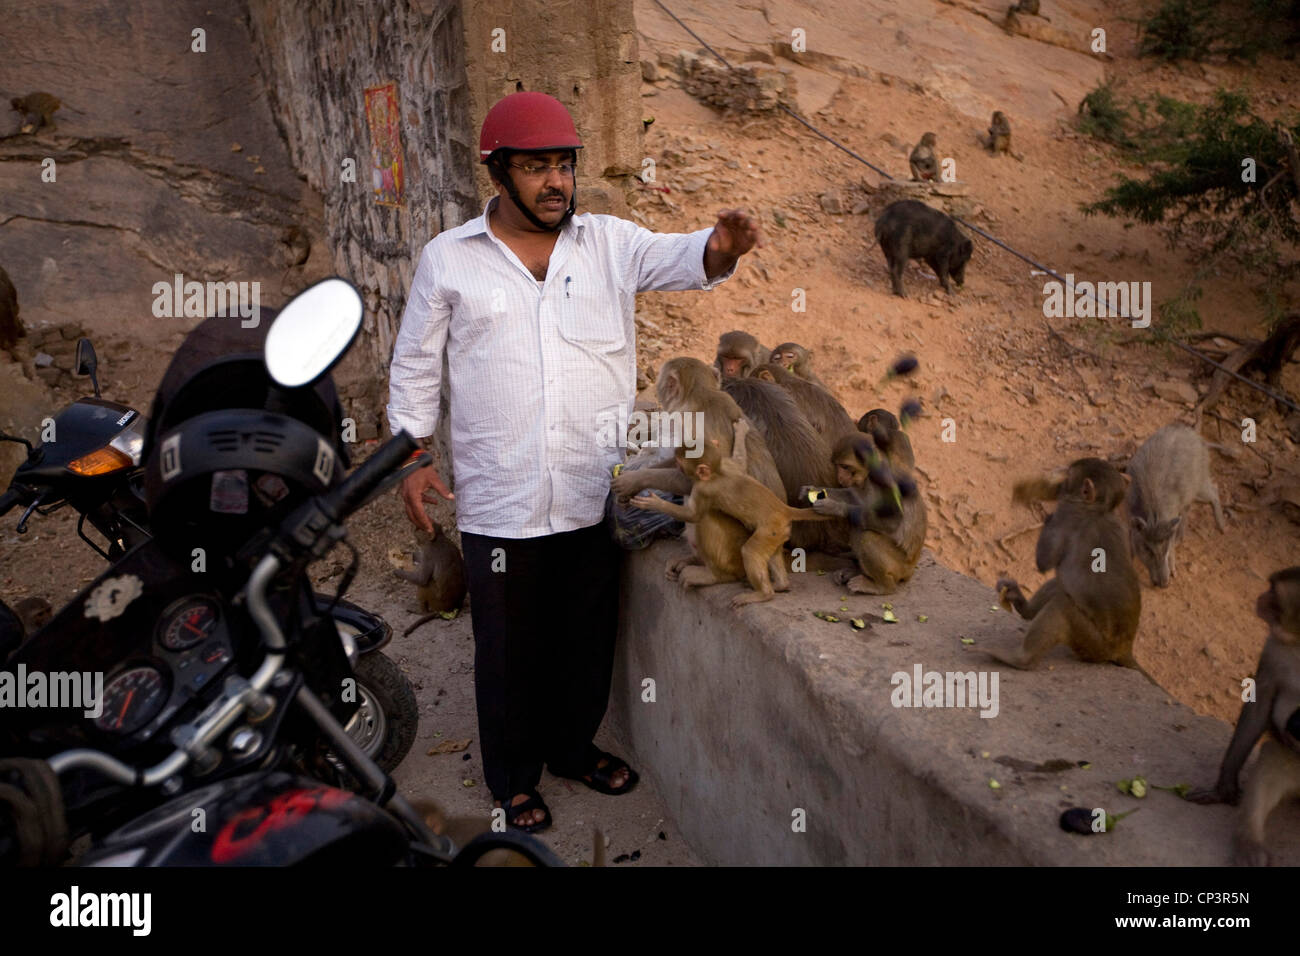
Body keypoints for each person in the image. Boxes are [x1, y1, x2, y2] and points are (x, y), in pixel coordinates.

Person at [387, 90, 761, 831]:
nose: (555, 181)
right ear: (499, 173)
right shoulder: (449, 260)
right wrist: (413, 455)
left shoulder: (611, 245)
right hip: (501, 496)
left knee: (586, 636)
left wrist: (723, 247)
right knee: (507, 650)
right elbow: (414, 368)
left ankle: (573, 748)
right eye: (536, 167)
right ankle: (514, 778)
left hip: (594, 488)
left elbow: (687, 256)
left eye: (564, 165)